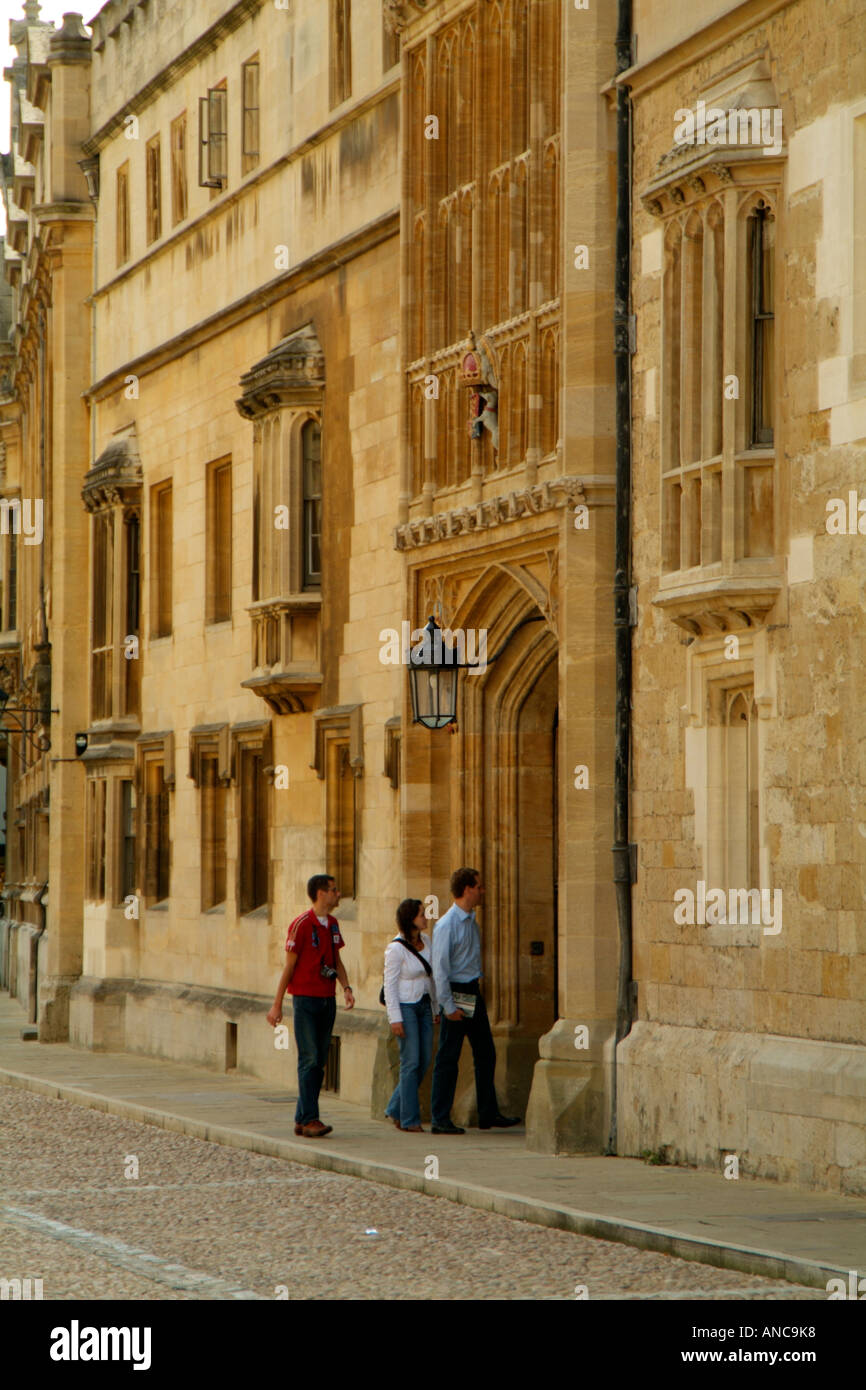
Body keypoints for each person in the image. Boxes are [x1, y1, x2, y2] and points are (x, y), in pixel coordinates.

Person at [430, 867, 521, 1134]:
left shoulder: (471, 920)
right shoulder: (447, 925)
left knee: (486, 1052)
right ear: (467, 889)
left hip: (472, 990)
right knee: (449, 1055)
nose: (483, 891)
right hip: (456, 992)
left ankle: (487, 1113)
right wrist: (448, 1006)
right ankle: (439, 1118)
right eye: (479, 886)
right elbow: (440, 969)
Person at [266, 874, 354, 1137]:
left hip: (327, 1000)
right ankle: (310, 1118)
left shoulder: (334, 925)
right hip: (305, 1000)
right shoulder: (302, 925)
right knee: (310, 1059)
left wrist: (346, 988)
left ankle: (302, 1118)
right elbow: (289, 967)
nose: (338, 894)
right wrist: (277, 1005)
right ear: (320, 893)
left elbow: (336, 961)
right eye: (333, 890)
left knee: (319, 1061)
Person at [383, 899, 439, 1133]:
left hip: (425, 1006)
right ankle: (409, 1119)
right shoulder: (395, 949)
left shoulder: (426, 941)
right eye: (420, 915)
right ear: (410, 919)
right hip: (405, 1007)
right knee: (410, 1061)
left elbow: (432, 977)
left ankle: (396, 1108)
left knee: (424, 1060)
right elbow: (390, 985)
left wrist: (436, 1009)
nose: (425, 918)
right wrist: (394, 1018)